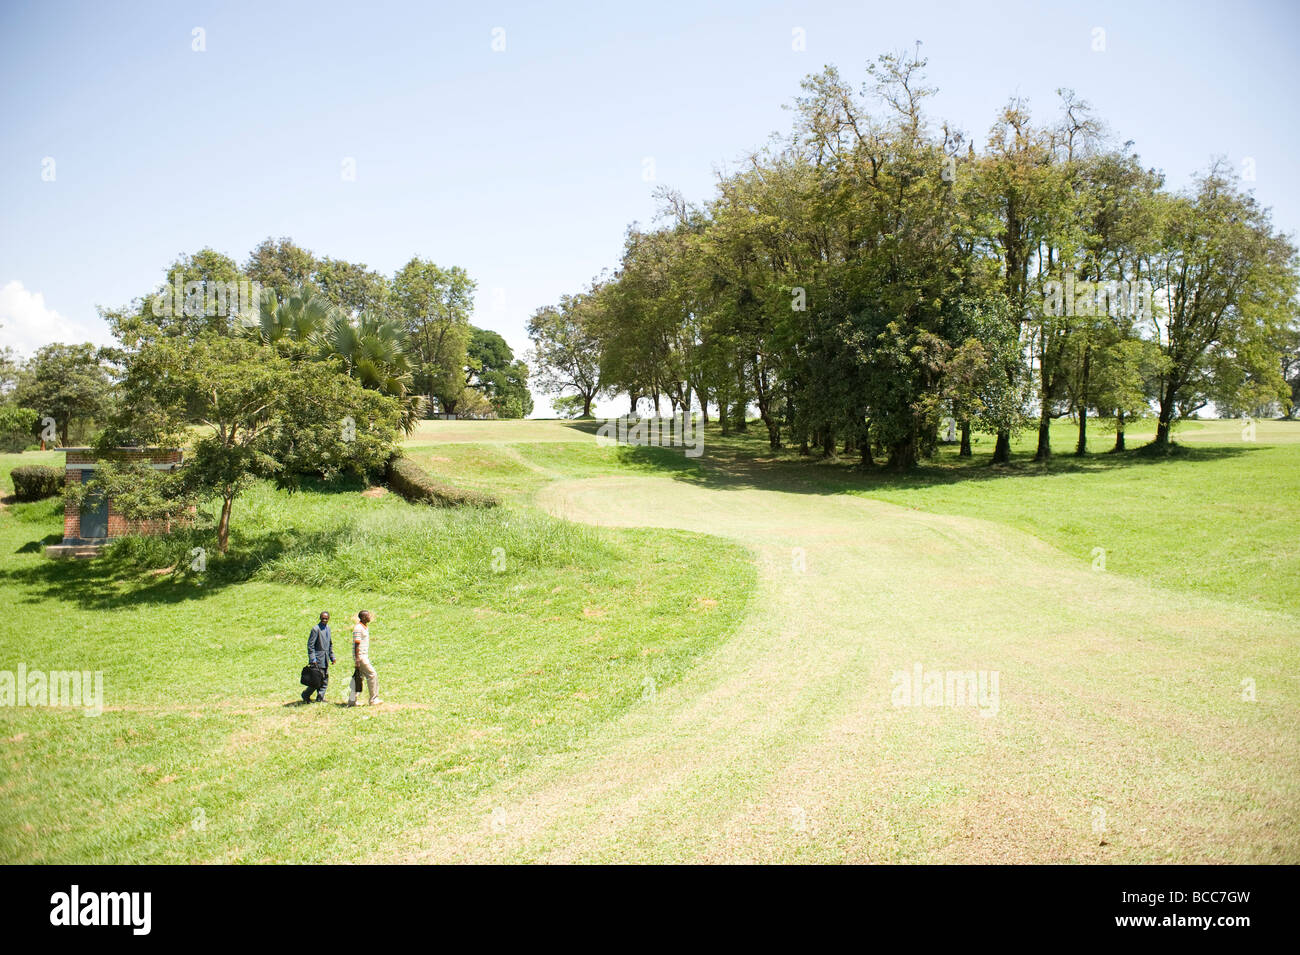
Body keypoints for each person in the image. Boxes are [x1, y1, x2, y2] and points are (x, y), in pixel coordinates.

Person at [347, 610, 382, 706]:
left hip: (362, 656)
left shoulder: (364, 627)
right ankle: (373, 699)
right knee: (372, 675)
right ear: (363, 618)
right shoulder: (358, 628)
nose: (370, 617)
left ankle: (352, 701)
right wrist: (357, 660)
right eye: (368, 616)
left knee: (359, 677)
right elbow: (356, 644)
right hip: (361, 657)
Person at [302, 611, 334, 703]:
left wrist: (332, 657)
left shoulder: (328, 628)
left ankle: (320, 697)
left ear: (329, 619)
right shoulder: (315, 629)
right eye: (323, 618)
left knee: (325, 679)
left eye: (326, 618)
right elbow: (310, 645)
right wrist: (313, 659)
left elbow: (330, 644)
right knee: (316, 680)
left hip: (325, 659)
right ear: (320, 618)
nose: (324, 620)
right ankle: (305, 695)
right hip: (317, 659)